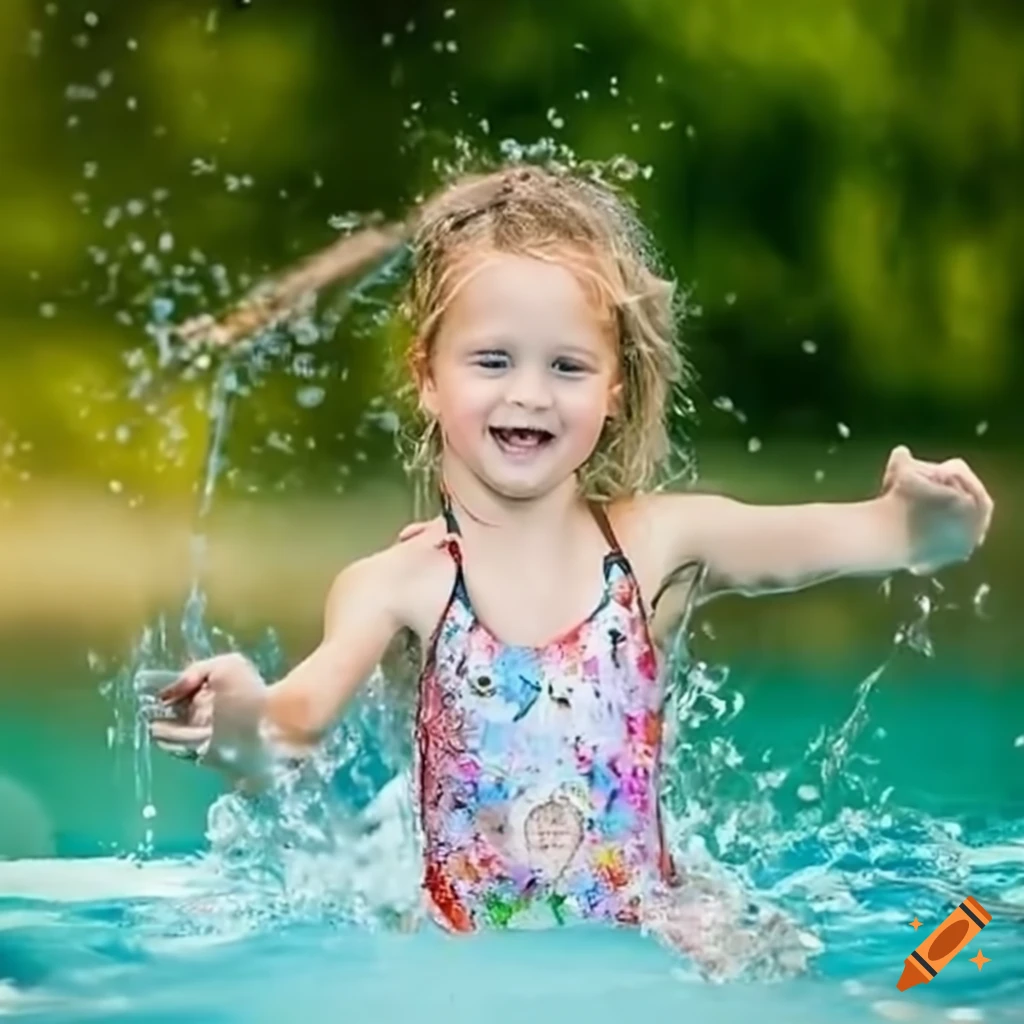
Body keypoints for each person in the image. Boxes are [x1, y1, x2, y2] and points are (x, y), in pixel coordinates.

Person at [149, 165, 993, 968]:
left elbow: (853, 539)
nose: (530, 393)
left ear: (615, 387)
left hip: (654, 942)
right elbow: (289, 727)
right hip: (469, 961)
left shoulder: (659, 544)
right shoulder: (400, 583)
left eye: (567, 365)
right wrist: (237, 721)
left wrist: (921, 525)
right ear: (427, 378)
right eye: (492, 360)